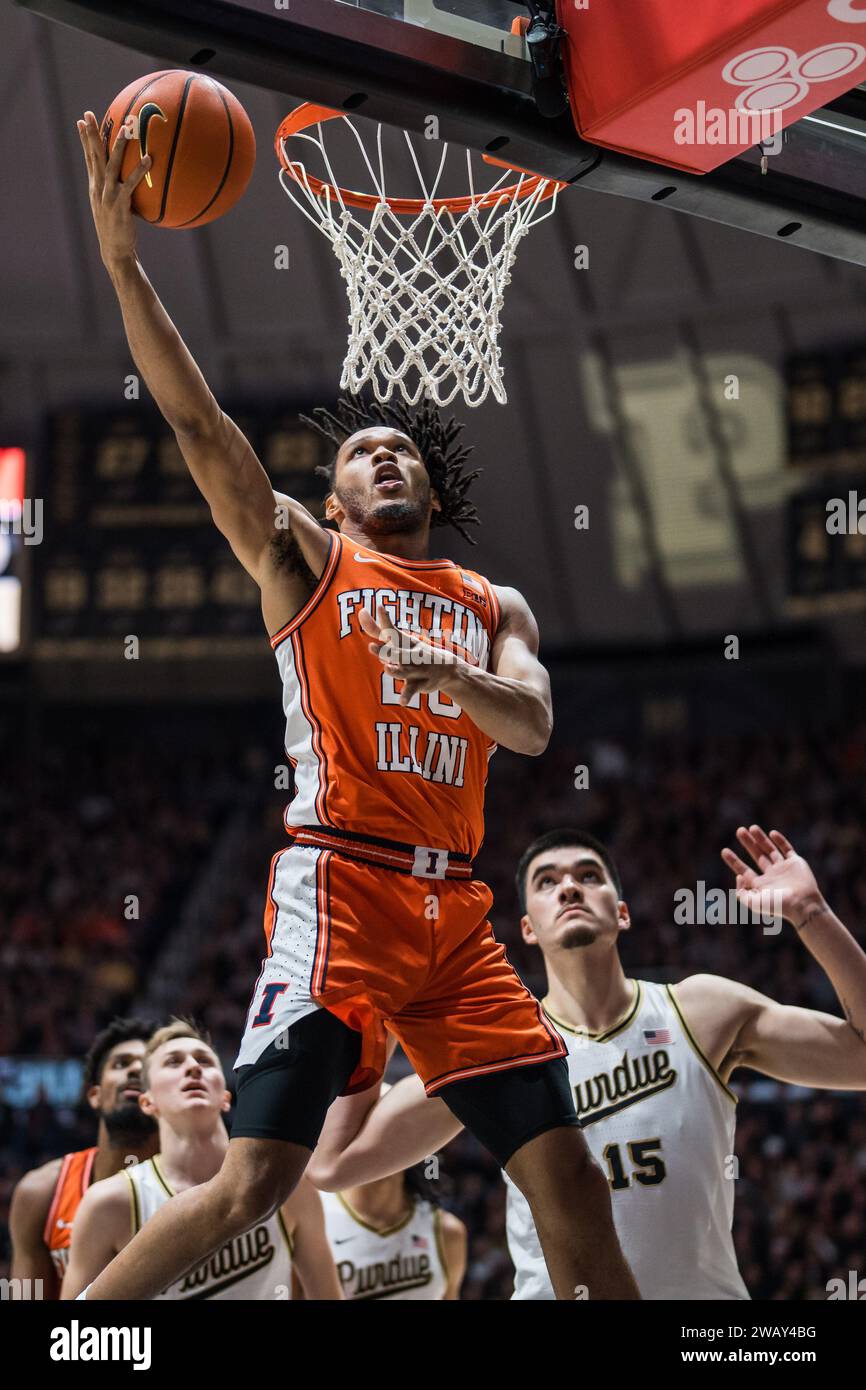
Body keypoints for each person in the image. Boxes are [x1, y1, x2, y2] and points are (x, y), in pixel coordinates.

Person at [73, 113, 638, 1302]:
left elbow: (530, 726)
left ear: (429, 482)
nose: (386, 459)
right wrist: (125, 263)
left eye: (402, 451)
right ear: (327, 495)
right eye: (361, 454)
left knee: (570, 1179)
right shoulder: (307, 562)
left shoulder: (494, 602)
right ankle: (80, 1335)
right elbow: (198, 428)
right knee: (257, 1180)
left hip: (458, 921)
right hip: (342, 886)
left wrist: (457, 680)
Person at [307, 824, 866, 1298]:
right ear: (527, 928)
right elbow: (334, 1164)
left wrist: (812, 913)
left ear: (622, 913)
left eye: (588, 876)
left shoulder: (702, 1011)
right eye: (546, 883)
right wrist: (376, 1004)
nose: (569, 887)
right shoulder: (494, 1046)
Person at [62, 1019, 341, 1300]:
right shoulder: (109, 1202)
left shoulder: (285, 1179)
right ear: (147, 1102)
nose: (193, 1067)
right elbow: (75, 1337)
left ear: (225, 1097)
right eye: (173, 1062)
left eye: (205, 1062)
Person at [9, 1017, 158, 1297]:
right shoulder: (40, 1191)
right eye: (121, 1063)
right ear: (94, 1095)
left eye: (150, 1066)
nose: (137, 1069)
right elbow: (22, 1295)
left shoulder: (193, 1186)